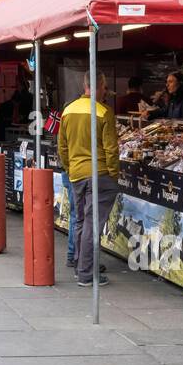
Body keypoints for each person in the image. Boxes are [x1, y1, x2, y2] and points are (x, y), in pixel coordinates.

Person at [58, 73, 120, 288]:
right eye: (105, 87)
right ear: (99, 85)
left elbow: (62, 148)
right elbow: (111, 149)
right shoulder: (103, 112)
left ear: (84, 85)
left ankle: (79, 263)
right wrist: (114, 174)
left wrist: (70, 167)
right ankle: (85, 273)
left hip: (76, 174)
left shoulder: (68, 110)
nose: (105, 91)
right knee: (93, 223)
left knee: (81, 220)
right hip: (99, 174)